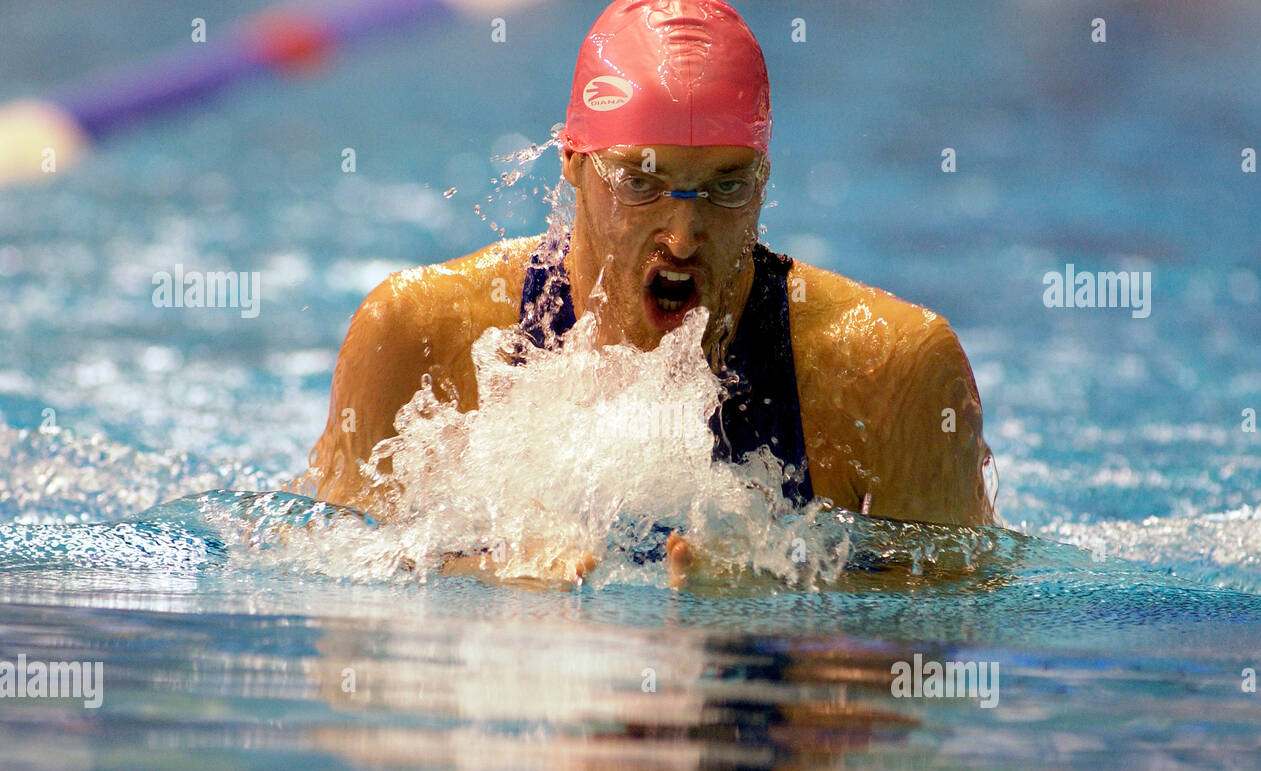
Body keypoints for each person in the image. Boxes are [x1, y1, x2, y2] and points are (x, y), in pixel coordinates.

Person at [287, 0, 997, 584]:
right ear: (572, 161)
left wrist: (788, 592)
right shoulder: (415, 331)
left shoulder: (894, 370)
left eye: (727, 186)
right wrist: (483, 574)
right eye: (639, 183)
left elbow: (964, 610)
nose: (683, 237)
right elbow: (318, 578)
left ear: (765, 178)